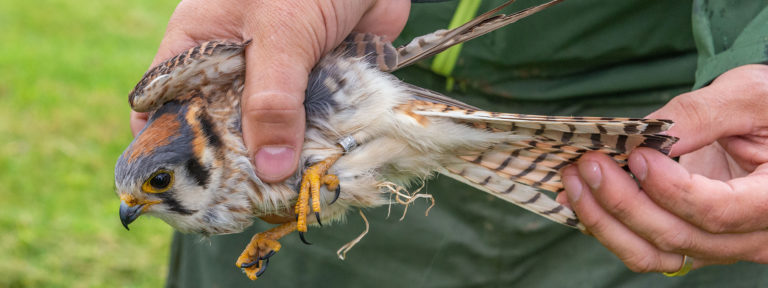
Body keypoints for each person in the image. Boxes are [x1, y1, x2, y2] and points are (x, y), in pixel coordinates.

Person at [128, 0, 768, 286]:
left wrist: (759, 55)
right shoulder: (207, 204)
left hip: (666, 87)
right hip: (367, 215)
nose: (139, 207)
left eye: (155, 182)